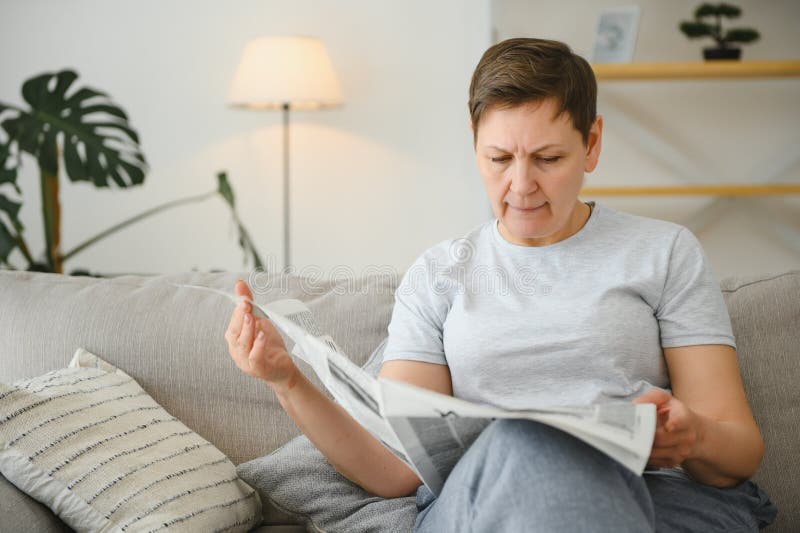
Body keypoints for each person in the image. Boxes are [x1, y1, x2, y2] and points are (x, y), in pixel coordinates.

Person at [225, 38, 777, 532]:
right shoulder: (438, 275)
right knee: (525, 443)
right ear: (475, 145)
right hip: (483, 503)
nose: (521, 185)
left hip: (649, 498)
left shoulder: (664, 252)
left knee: (554, 456)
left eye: (548, 159)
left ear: (592, 143)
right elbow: (394, 470)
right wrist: (287, 381)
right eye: (499, 158)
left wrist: (694, 435)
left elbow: (738, 454)